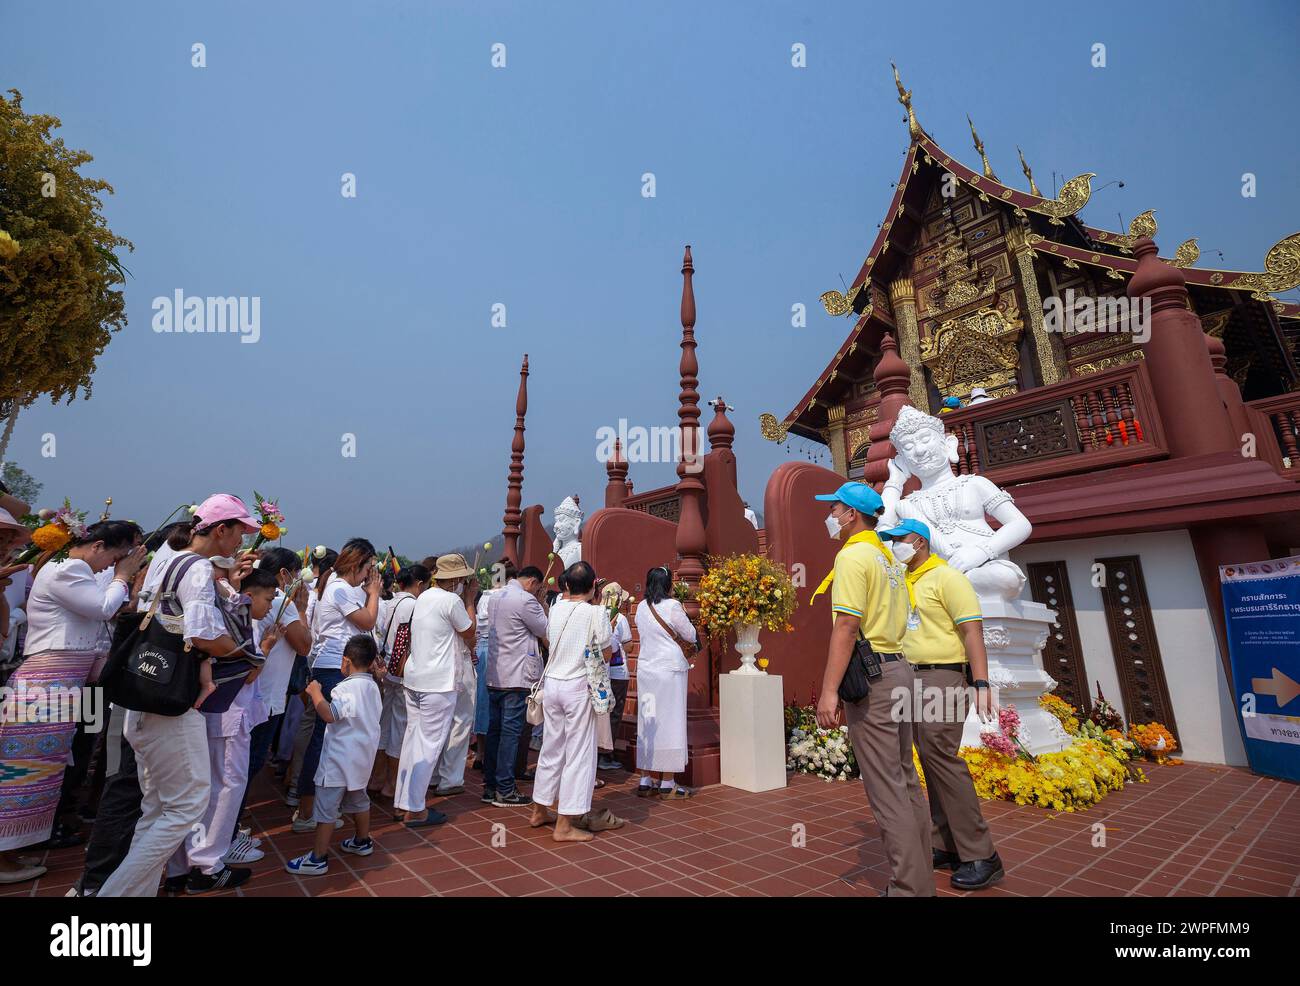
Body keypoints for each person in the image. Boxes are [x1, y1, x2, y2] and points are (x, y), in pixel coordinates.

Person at [98, 494, 261, 897]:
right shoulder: (199, 569)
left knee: (155, 808)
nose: (242, 540)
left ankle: (137, 891)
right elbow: (203, 634)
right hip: (172, 703)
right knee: (186, 806)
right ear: (221, 530)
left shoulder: (166, 560)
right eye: (240, 531)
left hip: (143, 693)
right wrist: (243, 652)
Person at [0, 520, 147, 884]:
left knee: (42, 768)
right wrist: (124, 576)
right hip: (46, 684)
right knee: (22, 770)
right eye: (114, 556)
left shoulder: (70, 567)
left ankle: (12, 848)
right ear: (97, 546)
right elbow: (103, 609)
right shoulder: (68, 568)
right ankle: (3, 857)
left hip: (61, 684)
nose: (112, 565)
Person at [812, 482, 933, 897]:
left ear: (851, 515)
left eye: (835, 509)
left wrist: (829, 692)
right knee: (904, 777)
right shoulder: (888, 559)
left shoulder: (853, 557)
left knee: (885, 788)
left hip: (873, 677)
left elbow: (846, 627)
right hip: (900, 669)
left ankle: (909, 888)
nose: (830, 516)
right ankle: (921, 876)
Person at [879, 518, 1003, 890]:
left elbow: (972, 631)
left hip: (943, 675)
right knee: (926, 757)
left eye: (898, 540)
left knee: (943, 757)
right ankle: (944, 843)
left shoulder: (949, 578)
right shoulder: (904, 582)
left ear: (918, 541)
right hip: (908, 675)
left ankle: (982, 853)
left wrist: (980, 681)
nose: (894, 545)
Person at [165, 565, 278, 893]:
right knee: (225, 787)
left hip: (215, 712)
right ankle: (207, 865)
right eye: (267, 599)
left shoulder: (226, 612)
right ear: (248, 595)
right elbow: (246, 671)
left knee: (201, 789)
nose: (271, 605)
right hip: (226, 712)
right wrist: (263, 652)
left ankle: (180, 865)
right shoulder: (231, 618)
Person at [292, 538, 381, 832]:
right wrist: (375, 594)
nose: (370, 573)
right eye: (369, 567)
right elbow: (367, 621)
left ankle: (316, 808)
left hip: (336, 666)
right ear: (358, 565)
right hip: (335, 668)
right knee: (323, 740)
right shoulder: (340, 589)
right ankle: (308, 811)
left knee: (331, 739)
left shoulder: (341, 588)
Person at [528, 561, 612, 842]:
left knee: (552, 749)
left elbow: (549, 641)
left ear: (566, 585)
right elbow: (608, 653)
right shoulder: (596, 613)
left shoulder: (557, 608)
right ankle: (564, 824)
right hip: (577, 687)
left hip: (552, 684)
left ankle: (540, 809)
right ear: (593, 586)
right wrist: (598, 607)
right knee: (578, 754)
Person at [285, 634, 382, 875]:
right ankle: (362, 840)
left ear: (346, 661)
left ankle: (318, 857)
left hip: (339, 760)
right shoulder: (373, 687)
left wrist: (316, 693)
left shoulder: (345, 689)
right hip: (362, 759)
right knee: (360, 799)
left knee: (326, 808)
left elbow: (330, 714)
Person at [393, 553, 477, 827]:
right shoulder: (452, 600)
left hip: (416, 678)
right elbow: (469, 632)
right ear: (456, 580)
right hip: (437, 684)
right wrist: (469, 601)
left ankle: (404, 801)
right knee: (429, 744)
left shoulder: (425, 597)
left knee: (413, 740)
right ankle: (415, 808)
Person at [482, 564, 548, 807]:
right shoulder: (526, 601)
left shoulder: (495, 596)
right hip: (517, 675)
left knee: (495, 732)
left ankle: (490, 786)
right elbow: (544, 629)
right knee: (510, 733)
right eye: (538, 588)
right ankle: (506, 788)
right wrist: (540, 603)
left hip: (496, 674)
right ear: (532, 582)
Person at [632, 566, 697, 799]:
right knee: (670, 722)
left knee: (647, 721)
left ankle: (645, 778)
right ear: (668, 584)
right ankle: (667, 781)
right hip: (669, 671)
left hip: (647, 670)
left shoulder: (640, 607)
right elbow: (690, 635)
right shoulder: (672, 606)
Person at [372, 563, 428, 800]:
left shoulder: (388, 602)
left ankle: (376, 777)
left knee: (383, 725)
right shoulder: (415, 606)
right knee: (400, 729)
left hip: (385, 669)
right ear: (420, 584)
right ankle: (393, 783)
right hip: (404, 672)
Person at [471, 561, 510, 771]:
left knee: (482, 700)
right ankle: (486, 752)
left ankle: (481, 751)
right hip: (495, 649)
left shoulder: (482, 598)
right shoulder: (501, 597)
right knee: (491, 700)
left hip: (481, 649)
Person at [598, 582, 632, 772]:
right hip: (618, 673)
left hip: (601, 672)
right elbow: (629, 647)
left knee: (603, 713)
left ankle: (600, 752)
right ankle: (606, 754)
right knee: (615, 713)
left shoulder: (597, 614)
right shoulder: (621, 619)